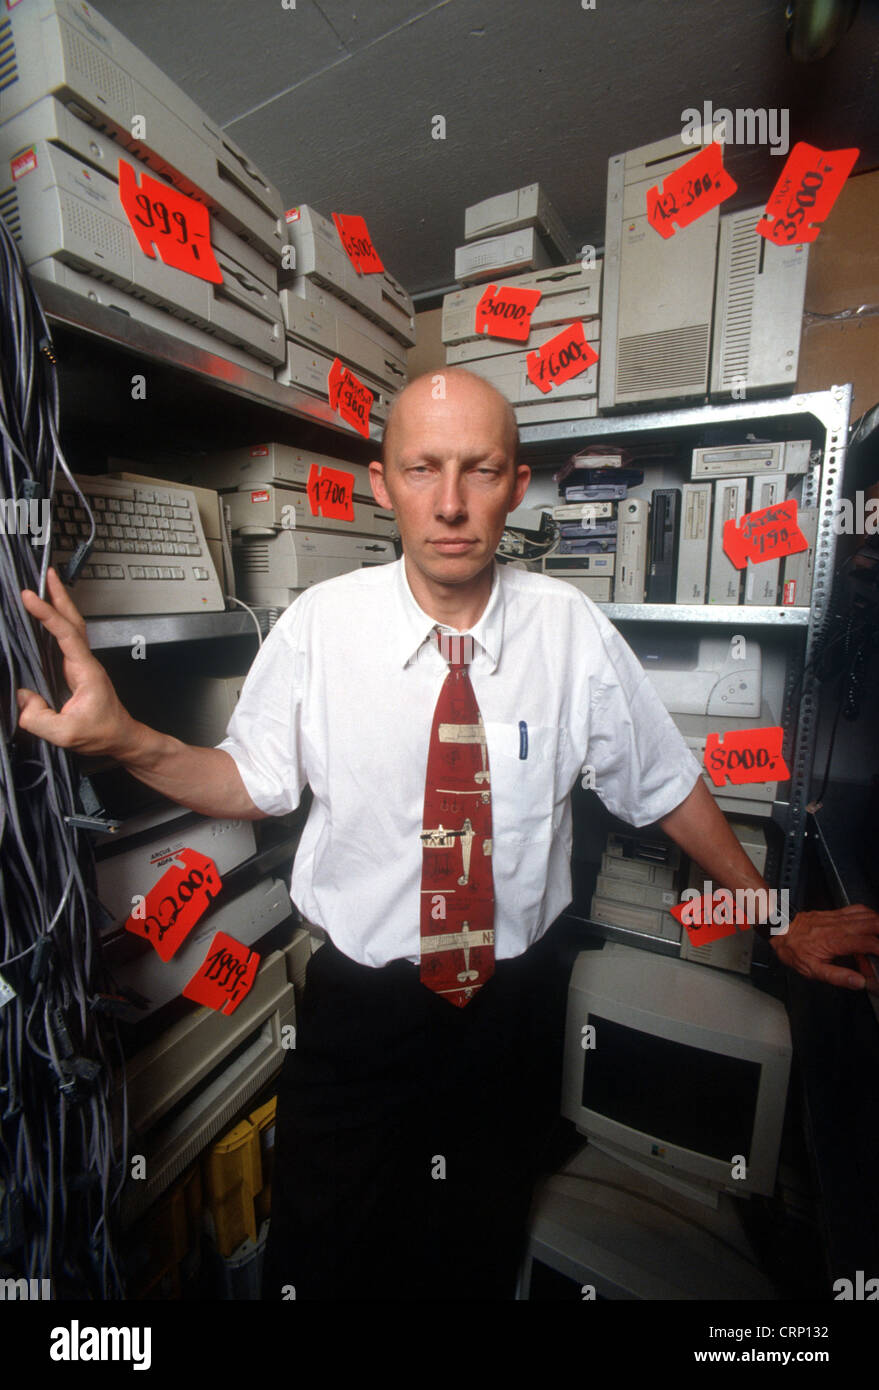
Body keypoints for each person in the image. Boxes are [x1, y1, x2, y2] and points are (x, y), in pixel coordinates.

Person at [16, 368, 879, 1301]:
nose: (453, 503)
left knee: (472, 1246)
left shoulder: (569, 632)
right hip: (358, 1016)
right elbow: (251, 783)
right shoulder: (318, 629)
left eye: (482, 470)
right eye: (423, 470)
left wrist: (772, 914)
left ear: (516, 483)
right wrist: (125, 742)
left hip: (508, 1012)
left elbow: (666, 787)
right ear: (382, 483)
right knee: (324, 1250)